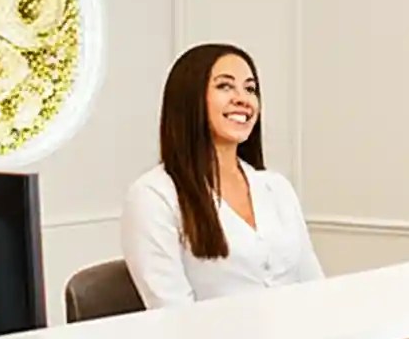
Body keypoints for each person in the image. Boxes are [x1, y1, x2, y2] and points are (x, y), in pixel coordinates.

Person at [120, 43, 325, 309]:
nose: (243, 99)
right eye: (225, 86)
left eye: (250, 89)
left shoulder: (277, 187)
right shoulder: (153, 196)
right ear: (190, 98)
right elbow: (173, 316)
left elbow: (316, 289)